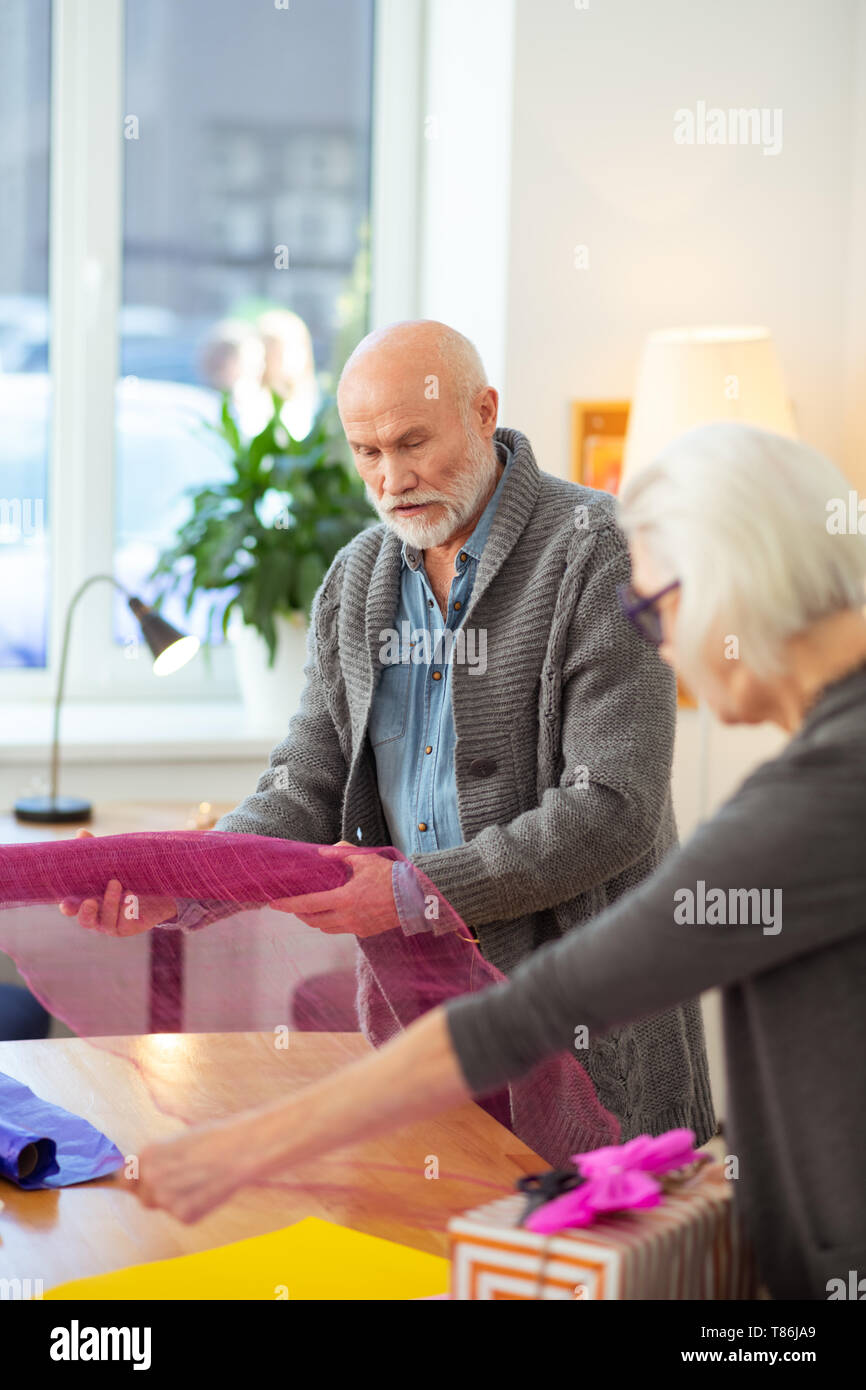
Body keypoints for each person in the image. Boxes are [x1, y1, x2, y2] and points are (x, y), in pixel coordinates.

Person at [125, 420, 866, 1301]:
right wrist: (184, 878)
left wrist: (243, 1147)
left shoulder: (824, 795)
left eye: (651, 609)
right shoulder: (360, 578)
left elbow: (542, 1005)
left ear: (723, 581)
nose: (658, 643)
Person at [63, 320, 715, 1158]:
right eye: (366, 451)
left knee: (586, 1280)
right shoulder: (358, 578)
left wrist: (415, 892)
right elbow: (303, 788)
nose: (391, 478)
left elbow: (611, 808)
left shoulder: (601, 550)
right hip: (420, 1029)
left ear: (483, 413)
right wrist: (181, 884)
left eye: (413, 442)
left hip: (586, 1030)